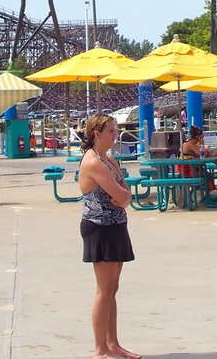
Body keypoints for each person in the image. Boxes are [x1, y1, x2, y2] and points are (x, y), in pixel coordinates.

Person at [76, 114, 139, 359]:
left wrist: (124, 195)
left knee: (113, 287)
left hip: (116, 225)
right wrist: (123, 196)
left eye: (115, 130)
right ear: (96, 134)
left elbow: (126, 194)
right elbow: (122, 196)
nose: (115, 135)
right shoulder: (94, 161)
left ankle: (113, 343)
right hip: (99, 226)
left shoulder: (109, 159)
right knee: (104, 289)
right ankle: (99, 349)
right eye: (111, 131)